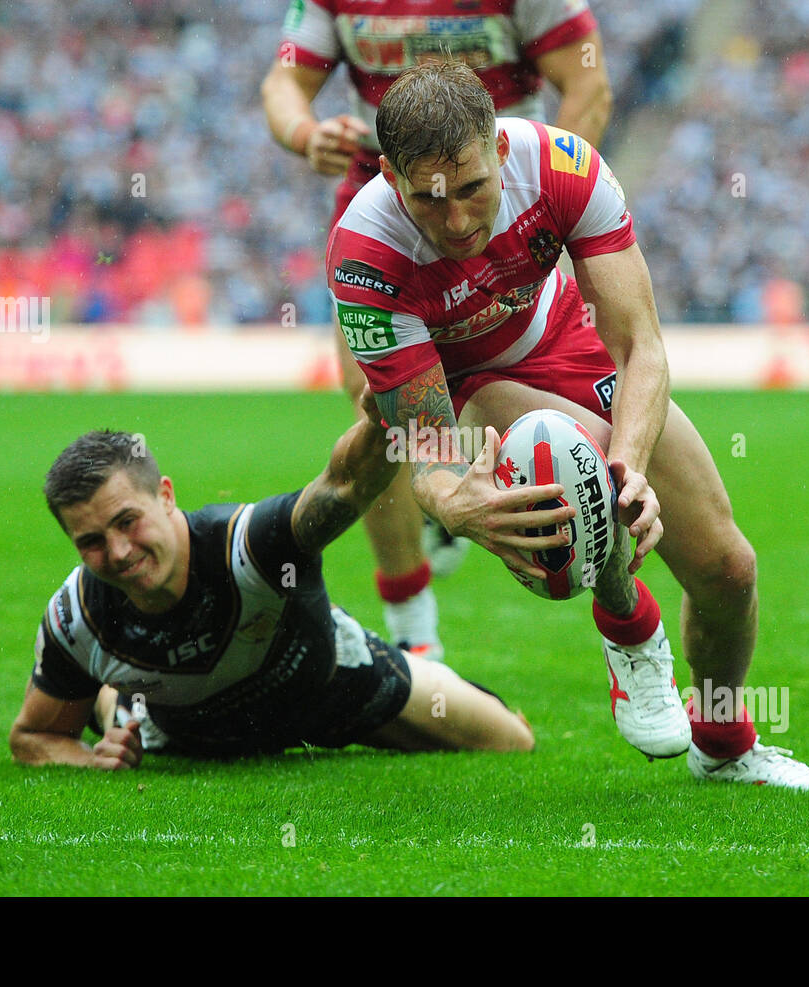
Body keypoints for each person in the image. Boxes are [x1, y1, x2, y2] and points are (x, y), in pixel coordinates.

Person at [326, 60, 809, 789]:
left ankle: (723, 745)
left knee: (729, 569)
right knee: (577, 456)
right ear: (389, 175)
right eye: (429, 201)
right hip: (464, 385)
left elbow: (640, 347)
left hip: (571, 340)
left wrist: (629, 464)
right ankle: (629, 626)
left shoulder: (564, 168)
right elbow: (426, 442)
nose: (459, 221)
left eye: (472, 190)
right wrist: (448, 502)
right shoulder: (366, 254)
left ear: (500, 150)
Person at [261, 0, 613, 664]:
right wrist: (304, 133)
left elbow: (589, 81)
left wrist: (549, 202)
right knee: (382, 411)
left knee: (514, 388)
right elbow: (283, 81)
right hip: (395, 209)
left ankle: (611, 600)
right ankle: (413, 630)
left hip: (505, 199)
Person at [8, 393, 535, 770]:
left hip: (333, 688)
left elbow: (344, 487)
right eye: (92, 542)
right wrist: (89, 760)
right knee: (126, 706)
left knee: (510, 741)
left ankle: (116, 697)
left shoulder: (249, 545)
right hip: (178, 731)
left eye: (127, 521)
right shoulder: (77, 618)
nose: (118, 552)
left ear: (166, 496)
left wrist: (387, 417)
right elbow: (33, 736)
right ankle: (118, 701)